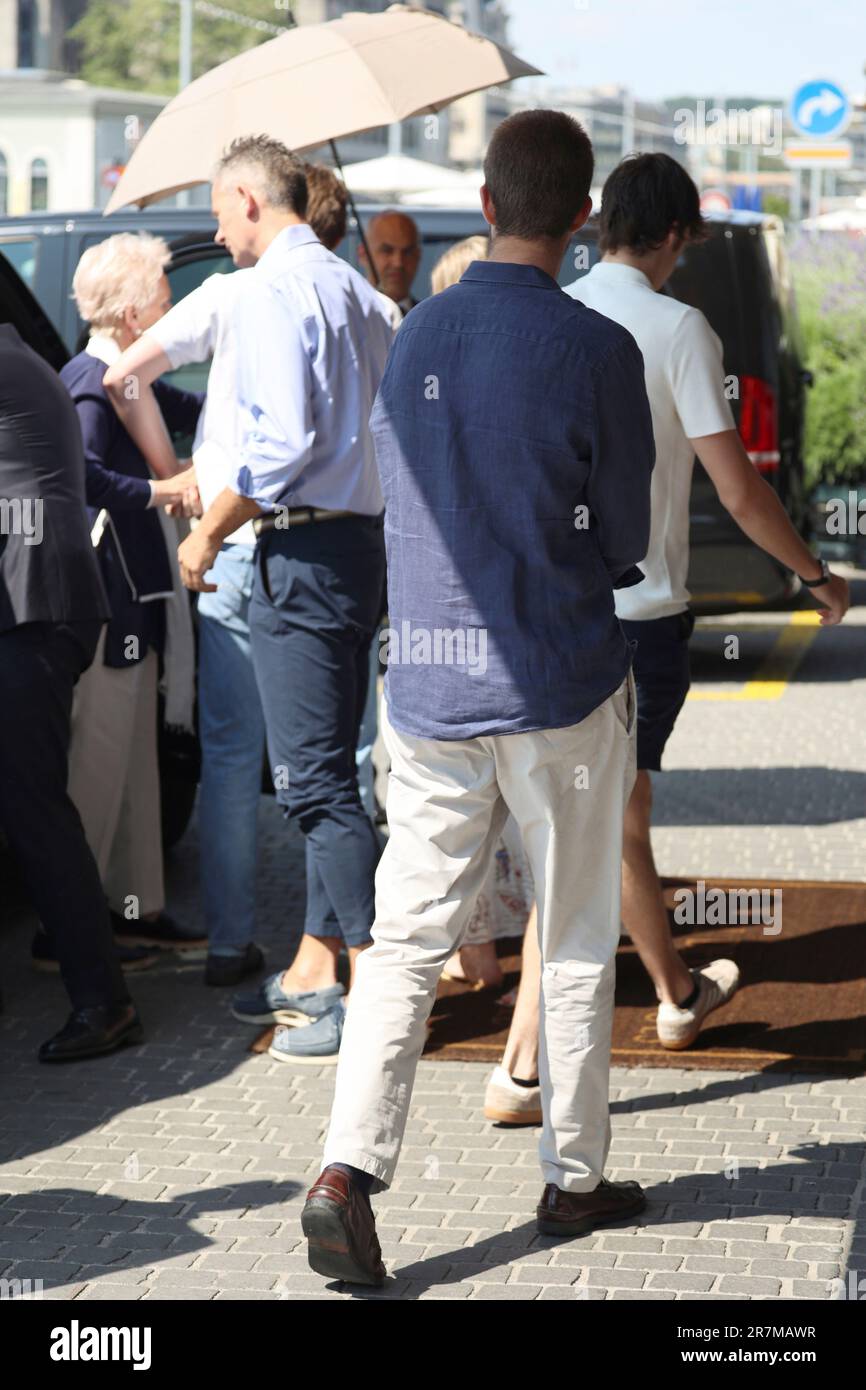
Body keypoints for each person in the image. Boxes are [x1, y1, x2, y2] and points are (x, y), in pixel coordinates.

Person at [301, 109, 656, 1286]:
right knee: (570, 935)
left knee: (403, 941)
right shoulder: (598, 348)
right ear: (582, 220)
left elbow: (399, 490)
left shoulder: (416, 338)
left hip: (431, 686)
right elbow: (623, 540)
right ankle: (572, 1180)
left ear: (489, 206)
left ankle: (345, 1171)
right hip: (560, 680)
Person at [482, 153, 853, 1127]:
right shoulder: (677, 326)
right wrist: (815, 576)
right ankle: (531, 1064)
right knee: (598, 828)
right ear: (677, 236)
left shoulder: (554, 312)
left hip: (548, 613)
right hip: (639, 619)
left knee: (601, 820)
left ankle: (672, 993)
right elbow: (734, 486)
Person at [171, 136, 395, 1063]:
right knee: (334, 776)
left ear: (250, 201)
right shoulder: (361, 290)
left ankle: (382, 989)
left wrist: (208, 529)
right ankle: (324, 972)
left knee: (313, 786)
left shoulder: (271, 290)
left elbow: (280, 445)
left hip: (302, 552)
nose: (218, 233)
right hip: (359, 549)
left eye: (220, 212)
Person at [59, 233, 205, 962]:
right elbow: (80, 477)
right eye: (159, 294)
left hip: (135, 594)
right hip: (111, 595)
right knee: (99, 768)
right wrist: (161, 489)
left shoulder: (124, 374)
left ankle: (134, 907)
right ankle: (71, 928)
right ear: (126, 310)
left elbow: (192, 402)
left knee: (134, 767)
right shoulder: (90, 379)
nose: (168, 305)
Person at [0, 323, 143, 1062]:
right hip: (41, 606)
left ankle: (103, 1001)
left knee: (35, 808)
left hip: (36, 610)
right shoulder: (19, 356)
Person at [303, 162, 400, 825]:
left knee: (356, 747)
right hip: (358, 537)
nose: (396, 260)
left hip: (361, 541)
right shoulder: (363, 310)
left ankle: (361, 914)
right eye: (384, 248)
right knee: (346, 738)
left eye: (406, 250)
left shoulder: (388, 316)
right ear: (359, 249)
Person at [358, 209, 421, 312]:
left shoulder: (429, 319)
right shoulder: (349, 316)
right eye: (387, 251)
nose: (398, 263)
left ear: (418, 256)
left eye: (407, 252)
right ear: (363, 254)